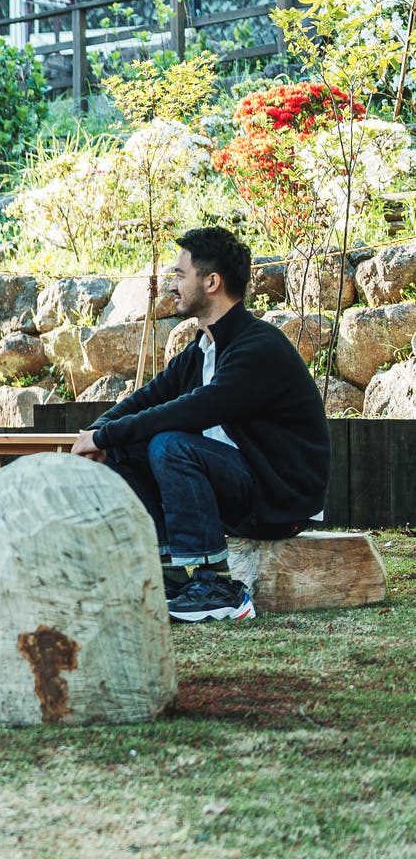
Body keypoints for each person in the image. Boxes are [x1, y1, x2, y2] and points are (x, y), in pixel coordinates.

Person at [70, 227, 330, 623]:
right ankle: (169, 577)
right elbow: (145, 399)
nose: (172, 285)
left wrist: (103, 435)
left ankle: (218, 587)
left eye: (179, 275)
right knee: (124, 450)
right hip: (235, 486)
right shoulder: (202, 349)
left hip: (279, 497)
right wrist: (96, 435)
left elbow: (192, 410)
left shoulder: (257, 347)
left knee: (169, 444)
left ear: (211, 282)